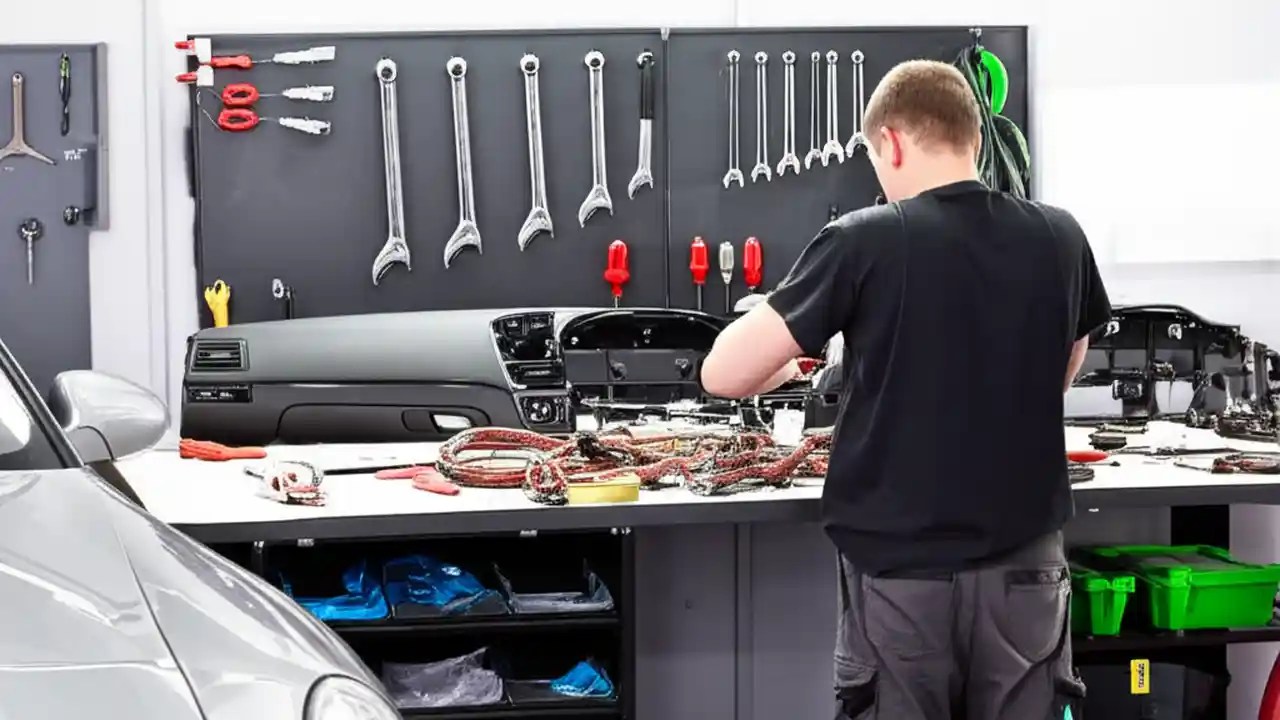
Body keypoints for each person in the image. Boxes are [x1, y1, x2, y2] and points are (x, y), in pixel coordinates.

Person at [700, 59, 1111, 720]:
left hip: (904, 577)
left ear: (889, 142)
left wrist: (776, 324)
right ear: (974, 139)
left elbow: (723, 374)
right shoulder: (1058, 235)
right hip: (1027, 571)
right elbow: (1073, 349)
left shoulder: (864, 239)